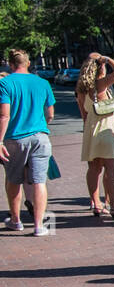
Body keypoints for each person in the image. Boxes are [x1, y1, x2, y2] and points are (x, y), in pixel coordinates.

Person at [0, 48, 56, 235]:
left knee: (14, 180)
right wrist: (40, 126)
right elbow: (50, 114)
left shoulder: (5, 83)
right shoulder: (42, 83)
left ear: (10, 63)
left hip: (15, 138)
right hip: (40, 137)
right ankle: (39, 225)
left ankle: (16, 220)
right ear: (28, 63)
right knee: (39, 181)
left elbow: (4, 116)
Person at [75, 53, 114, 219]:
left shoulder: (81, 89)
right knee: (112, 170)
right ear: (100, 67)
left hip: (91, 130)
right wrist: (107, 59)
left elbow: (84, 115)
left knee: (94, 169)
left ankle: (96, 204)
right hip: (106, 128)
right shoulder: (101, 84)